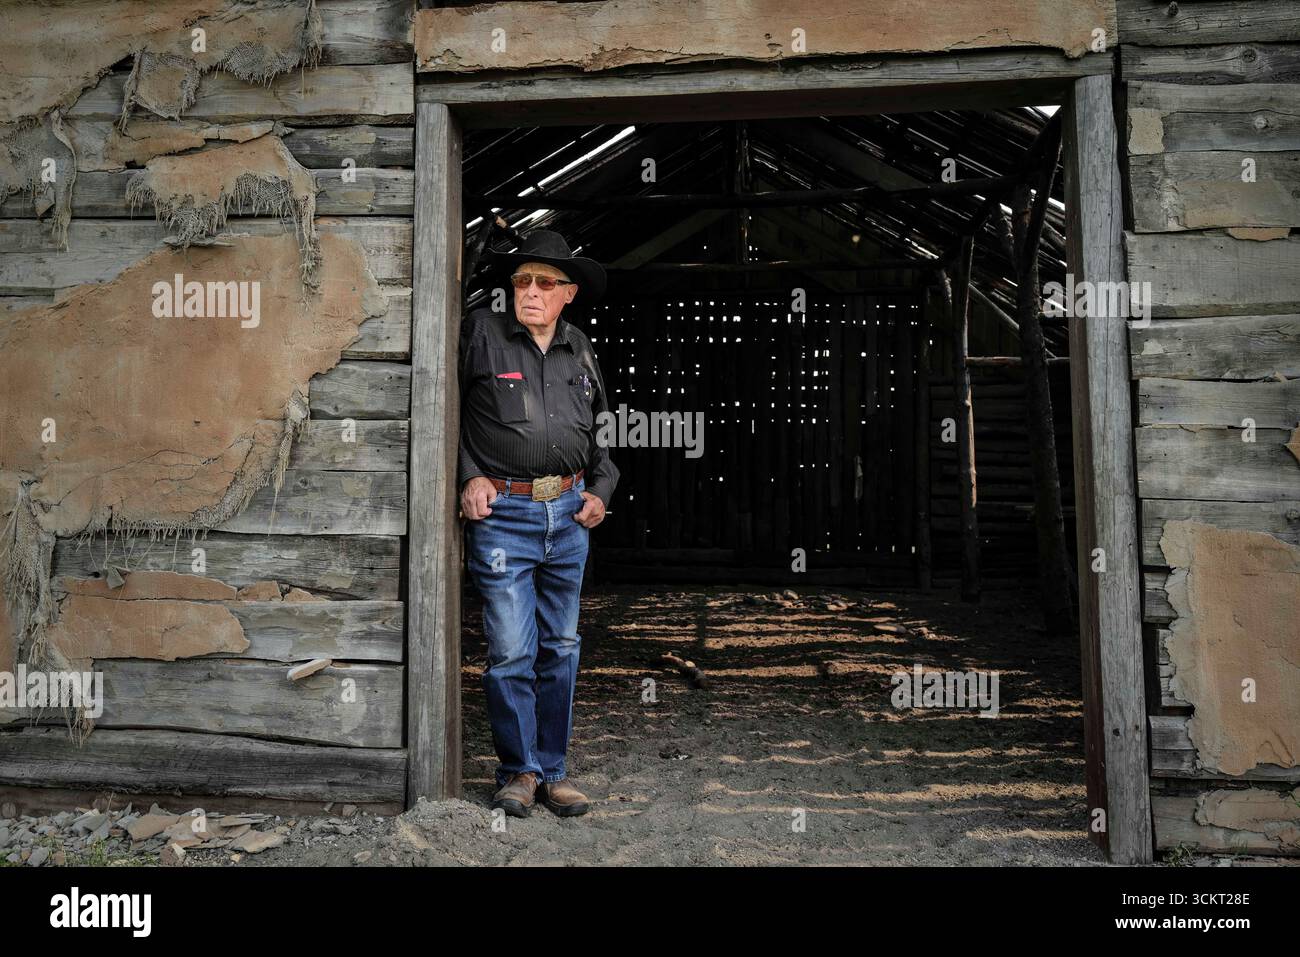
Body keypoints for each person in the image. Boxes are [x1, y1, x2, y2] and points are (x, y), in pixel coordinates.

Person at [458, 229, 619, 818]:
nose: (529, 291)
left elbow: (601, 426)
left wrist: (601, 489)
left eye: (544, 283)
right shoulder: (481, 334)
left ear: (567, 293)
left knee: (563, 648)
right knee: (509, 652)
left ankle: (554, 772)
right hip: (505, 514)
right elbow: (441, 409)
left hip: (569, 515)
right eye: (521, 280)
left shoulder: (580, 347)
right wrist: (469, 475)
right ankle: (519, 771)